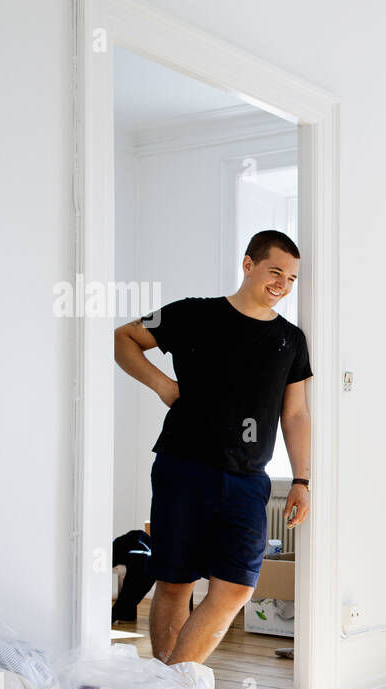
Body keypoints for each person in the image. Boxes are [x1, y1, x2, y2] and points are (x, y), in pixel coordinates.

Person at [114, 230, 313, 665]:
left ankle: (174, 685)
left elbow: (294, 414)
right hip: (183, 467)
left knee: (237, 587)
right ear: (248, 265)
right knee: (175, 582)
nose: (282, 284)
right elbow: (124, 337)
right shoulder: (191, 314)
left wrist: (301, 479)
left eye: (292, 278)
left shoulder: (291, 340)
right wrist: (163, 385)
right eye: (274, 271)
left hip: (248, 479)